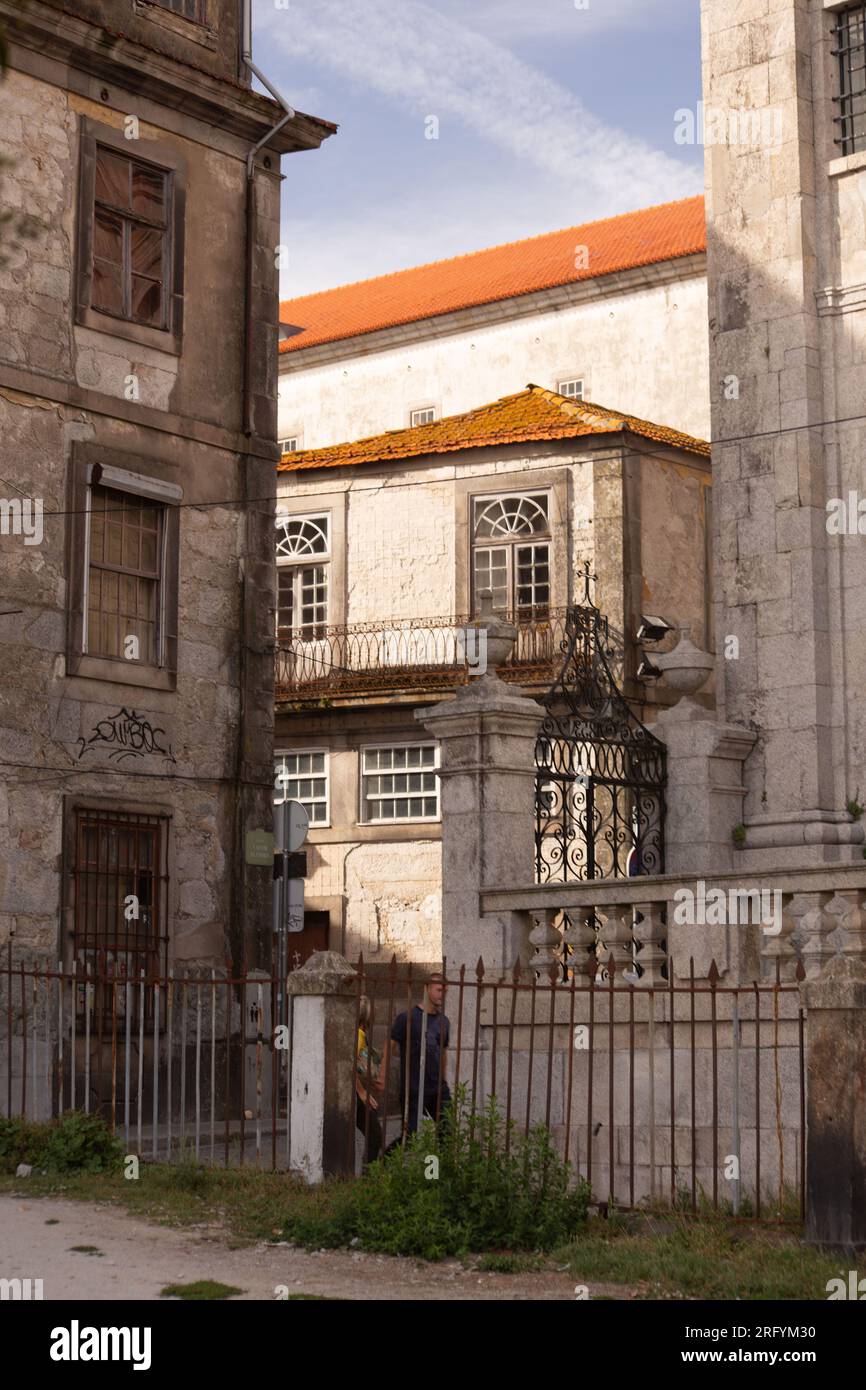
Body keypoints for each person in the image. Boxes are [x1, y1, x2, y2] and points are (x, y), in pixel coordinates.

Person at [387, 973, 450, 1149]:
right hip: (414, 1088)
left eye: (444, 991)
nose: (441, 994)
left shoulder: (444, 1022)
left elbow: (443, 1053)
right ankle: (383, 1163)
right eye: (438, 990)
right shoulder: (407, 1018)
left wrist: (443, 1080)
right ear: (426, 988)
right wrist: (384, 1075)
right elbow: (389, 1047)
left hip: (437, 1088)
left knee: (447, 1133)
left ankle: (436, 1174)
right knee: (411, 1137)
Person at [354, 995, 385, 1164]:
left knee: (374, 1134)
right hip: (355, 1095)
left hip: (356, 1093)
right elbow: (349, 1064)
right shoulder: (358, 1035)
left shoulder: (358, 1034)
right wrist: (361, 1091)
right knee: (375, 1135)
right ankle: (367, 1174)